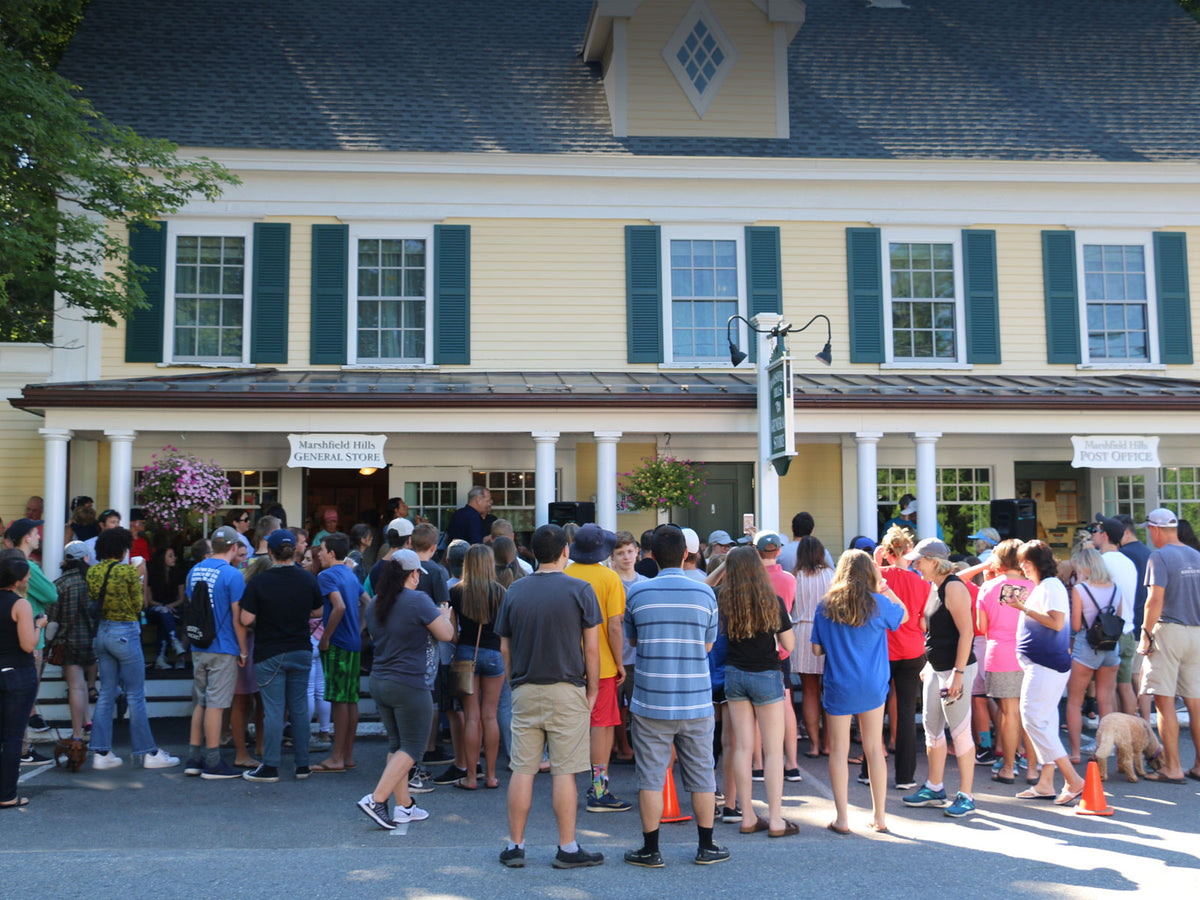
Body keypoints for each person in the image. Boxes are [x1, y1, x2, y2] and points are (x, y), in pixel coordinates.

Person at [494, 523, 605, 869]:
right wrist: (593, 689)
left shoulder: (515, 590)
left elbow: (505, 647)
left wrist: (514, 682)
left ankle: (515, 845)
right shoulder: (580, 589)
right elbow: (591, 649)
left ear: (533, 552)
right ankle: (567, 847)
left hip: (526, 687)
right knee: (564, 772)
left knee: (522, 769)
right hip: (567, 687)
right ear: (565, 552)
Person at [623, 524, 729, 868]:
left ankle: (650, 849)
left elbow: (634, 641)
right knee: (702, 776)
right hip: (696, 700)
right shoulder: (705, 594)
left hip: (651, 701)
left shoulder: (637, 593)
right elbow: (708, 645)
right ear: (686, 553)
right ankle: (706, 846)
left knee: (651, 777)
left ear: (651, 555)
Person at [357, 549, 455, 829]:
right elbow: (446, 634)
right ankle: (376, 799)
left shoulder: (376, 603)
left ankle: (404, 806)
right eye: (417, 574)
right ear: (413, 574)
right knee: (413, 746)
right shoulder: (418, 600)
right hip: (410, 683)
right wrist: (444, 615)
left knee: (397, 745)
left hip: (380, 680)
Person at [812, 549, 907, 834]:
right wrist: (885, 587)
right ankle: (880, 817)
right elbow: (903, 615)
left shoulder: (826, 606)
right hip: (872, 684)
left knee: (838, 751)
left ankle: (842, 818)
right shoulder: (878, 603)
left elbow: (816, 649)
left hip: (840, 683)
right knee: (874, 749)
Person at [715, 545, 797, 838]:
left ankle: (747, 816)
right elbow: (789, 645)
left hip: (735, 675)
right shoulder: (772, 601)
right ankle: (775, 820)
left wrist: (724, 564)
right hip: (766, 674)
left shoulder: (724, 599)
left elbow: (703, 587)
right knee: (773, 751)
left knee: (742, 748)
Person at [88, 527, 179, 771]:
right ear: (123, 548)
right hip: (125, 632)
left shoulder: (93, 571)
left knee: (106, 692)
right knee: (136, 694)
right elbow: (139, 604)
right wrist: (141, 576)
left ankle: (102, 753)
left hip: (102, 632)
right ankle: (148, 752)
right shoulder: (128, 571)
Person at [238, 530, 324, 783]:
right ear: (294, 551)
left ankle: (270, 765)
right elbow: (318, 611)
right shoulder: (307, 578)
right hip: (301, 648)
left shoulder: (259, 581)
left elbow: (246, 619)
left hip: (270, 651)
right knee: (299, 708)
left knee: (274, 710)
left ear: (270, 552)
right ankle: (302, 764)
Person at [902, 538, 977, 817]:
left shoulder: (953, 587)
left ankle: (966, 795)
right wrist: (929, 666)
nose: (915, 565)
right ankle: (934, 787)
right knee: (931, 730)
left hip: (955, 669)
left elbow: (967, 633)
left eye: (919, 561)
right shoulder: (935, 585)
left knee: (959, 732)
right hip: (937, 668)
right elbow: (935, 632)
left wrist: (957, 674)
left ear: (934, 561)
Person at [1010, 540, 1086, 803]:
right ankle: (1046, 783)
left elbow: (1056, 623)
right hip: (1044, 664)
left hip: (1046, 665)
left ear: (1036, 564)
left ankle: (1073, 779)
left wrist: (1023, 608)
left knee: (1034, 719)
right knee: (1045, 721)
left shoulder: (1051, 586)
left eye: (1026, 562)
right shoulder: (1047, 586)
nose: (1022, 567)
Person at [564, 523, 631, 812]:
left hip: (567, 662)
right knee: (601, 727)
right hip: (601, 665)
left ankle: (565, 785)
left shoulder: (565, 574)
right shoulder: (609, 578)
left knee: (568, 727)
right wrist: (619, 662)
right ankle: (599, 789)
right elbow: (615, 625)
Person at [868, 524, 933, 791]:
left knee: (874, 710)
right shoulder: (922, 583)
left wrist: (877, 559)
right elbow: (924, 623)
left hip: (882, 650)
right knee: (907, 713)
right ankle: (905, 776)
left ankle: (868, 770)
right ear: (909, 550)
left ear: (887, 551)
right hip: (912, 650)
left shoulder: (877, 576)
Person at [1137, 508, 1200, 783]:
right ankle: (1199, 765)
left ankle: (1172, 767)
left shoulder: (1159, 556)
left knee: (1164, 701)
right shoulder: (1196, 555)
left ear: (1155, 529)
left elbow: (1154, 600)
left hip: (1169, 631)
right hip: (1196, 632)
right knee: (1195, 703)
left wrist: (1145, 634)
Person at [183, 526, 249, 780]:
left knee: (200, 702)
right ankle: (213, 762)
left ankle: (193, 758)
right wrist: (243, 650)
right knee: (216, 705)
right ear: (233, 547)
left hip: (199, 644)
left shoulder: (194, 570)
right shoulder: (233, 575)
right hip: (223, 646)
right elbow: (237, 618)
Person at [447, 544, 507, 790]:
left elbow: (451, 633)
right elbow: (506, 631)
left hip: (466, 654)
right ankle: (491, 776)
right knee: (490, 715)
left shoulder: (456, 592)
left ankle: (471, 777)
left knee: (471, 717)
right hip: (494, 654)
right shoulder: (501, 592)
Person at [974, 539, 1033, 784]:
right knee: (1028, 713)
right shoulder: (1035, 586)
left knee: (1009, 713)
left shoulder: (988, 587)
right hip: (1030, 653)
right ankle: (1033, 769)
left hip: (1000, 654)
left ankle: (1008, 767)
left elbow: (981, 626)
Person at [314, 532, 370, 773]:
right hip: (353, 642)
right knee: (350, 699)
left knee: (338, 700)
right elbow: (368, 602)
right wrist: (359, 628)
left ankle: (336, 757)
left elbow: (339, 606)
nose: (318, 554)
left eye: (321, 550)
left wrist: (325, 638)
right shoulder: (349, 573)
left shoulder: (326, 576)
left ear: (331, 553)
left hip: (337, 644)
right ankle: (347, 755)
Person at [1065, 545, 1121, 764]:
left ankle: (1075, 753)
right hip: (1111, 647)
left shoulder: (1080, 589)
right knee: (1106, 701)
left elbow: (1076, 625)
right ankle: (1104, 750)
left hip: (1087, 647)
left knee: (1074, 701)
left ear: (1084, 567)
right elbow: (1118, 619)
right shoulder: (1115, 588)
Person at [754, 531, 801, 782]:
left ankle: (758, 764)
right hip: (782, 647)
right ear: (779, 551)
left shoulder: (751, 579)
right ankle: (791, 764)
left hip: (756, 647)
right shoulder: (789, 580)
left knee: (755, 710)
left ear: (756, 551)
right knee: (786, 704)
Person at [1, 553, 46, 807]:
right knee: (13, 737)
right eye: (26, 577)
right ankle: (7, 795)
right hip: (17, 673)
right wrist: (39, 625)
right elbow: (28, 644)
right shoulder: (21, 605)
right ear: (17, 581)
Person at [1091, 517, 1140, 716]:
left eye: (1095, 531)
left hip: (1108, 633)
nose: (1092, 534)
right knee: (1125, 687)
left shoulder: (1101, 563)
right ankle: (1130, 731)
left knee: (1108, 689)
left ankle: (1112, 732)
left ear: (1104, 535)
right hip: (1127, 630)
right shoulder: (1128, 562)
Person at [791, 535, 833, 759]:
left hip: (802, 632)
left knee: (809, 690)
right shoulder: (831, 575)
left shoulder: (795, 577)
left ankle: (814, 745)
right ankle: (828, 744)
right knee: (829, 689)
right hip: (827, 632)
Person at [51, 542, 96, 743]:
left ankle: (77, 733)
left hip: (68, 641)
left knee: (76, 686)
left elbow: (52, 620)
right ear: (85, 558)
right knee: (83, 684)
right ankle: (88, 722)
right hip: (91, 640)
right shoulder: (93, 581)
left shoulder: (60, 584)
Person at [145, 546, 187, 670]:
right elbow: (149, 600)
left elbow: (181, 598)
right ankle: (174, 641)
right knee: (164, 613)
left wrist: (170, 606)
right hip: (155, 609)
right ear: (161, 558)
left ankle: (161, 658)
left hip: (172, 609)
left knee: (165, 620)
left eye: (174, 555)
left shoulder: (178, 573)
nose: (174, 558)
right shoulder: (152, 574)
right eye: (170, 556)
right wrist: (164, 607)